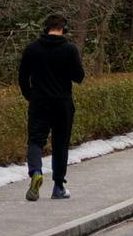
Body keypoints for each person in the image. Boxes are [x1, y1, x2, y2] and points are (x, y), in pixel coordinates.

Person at [18, 13, 85, 201]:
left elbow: (22, 76)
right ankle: (58, 187)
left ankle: (36, 172)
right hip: (62, 103)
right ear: (64, 29)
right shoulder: (70, 49)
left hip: (39, 102)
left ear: (45, 28)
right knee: (60, 144)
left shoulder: (32, 49)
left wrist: (29, 95)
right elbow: (79, 77)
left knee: (35, 140)